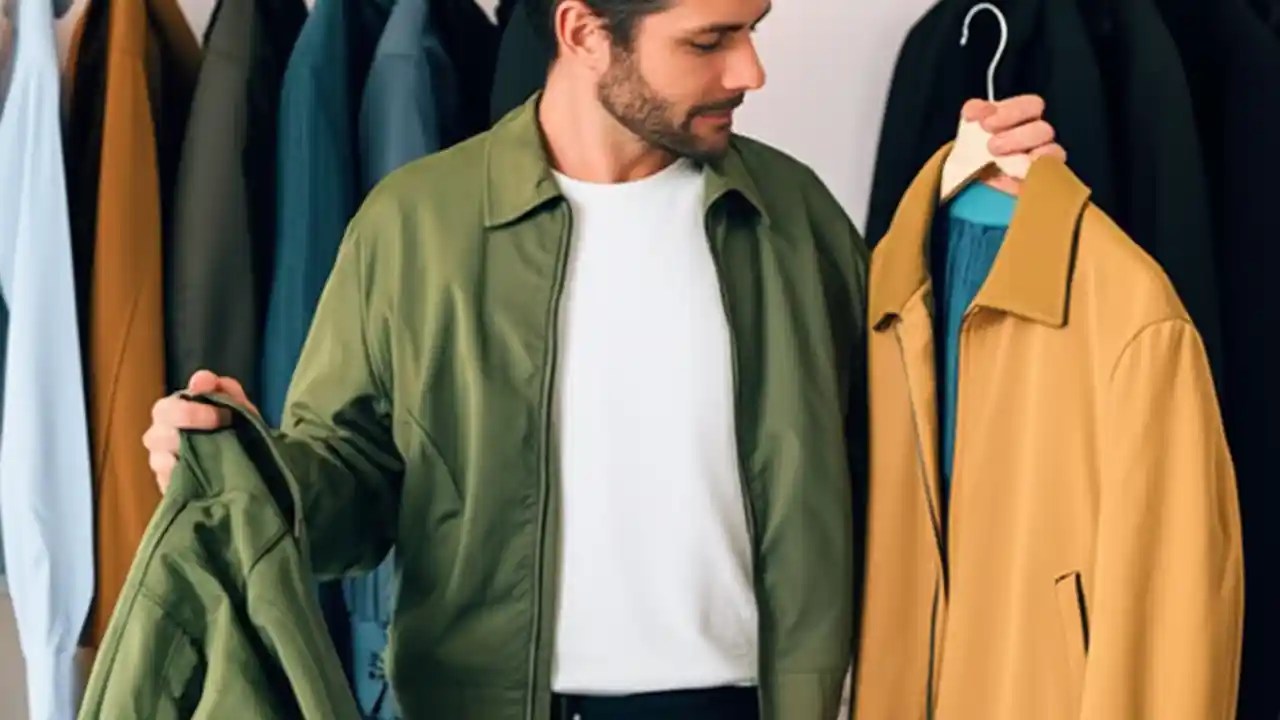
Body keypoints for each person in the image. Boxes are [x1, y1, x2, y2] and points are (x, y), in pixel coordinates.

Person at [143, 0, 1064, 717]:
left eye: (753, 30)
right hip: (483, 705)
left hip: (749, 707)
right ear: (585, 32)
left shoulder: (794, 218)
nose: (751, 69)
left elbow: (916, 453)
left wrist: (987, 227)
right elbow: (351, 488)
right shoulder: (414, 223)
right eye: (710, 40)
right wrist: (242, 465)